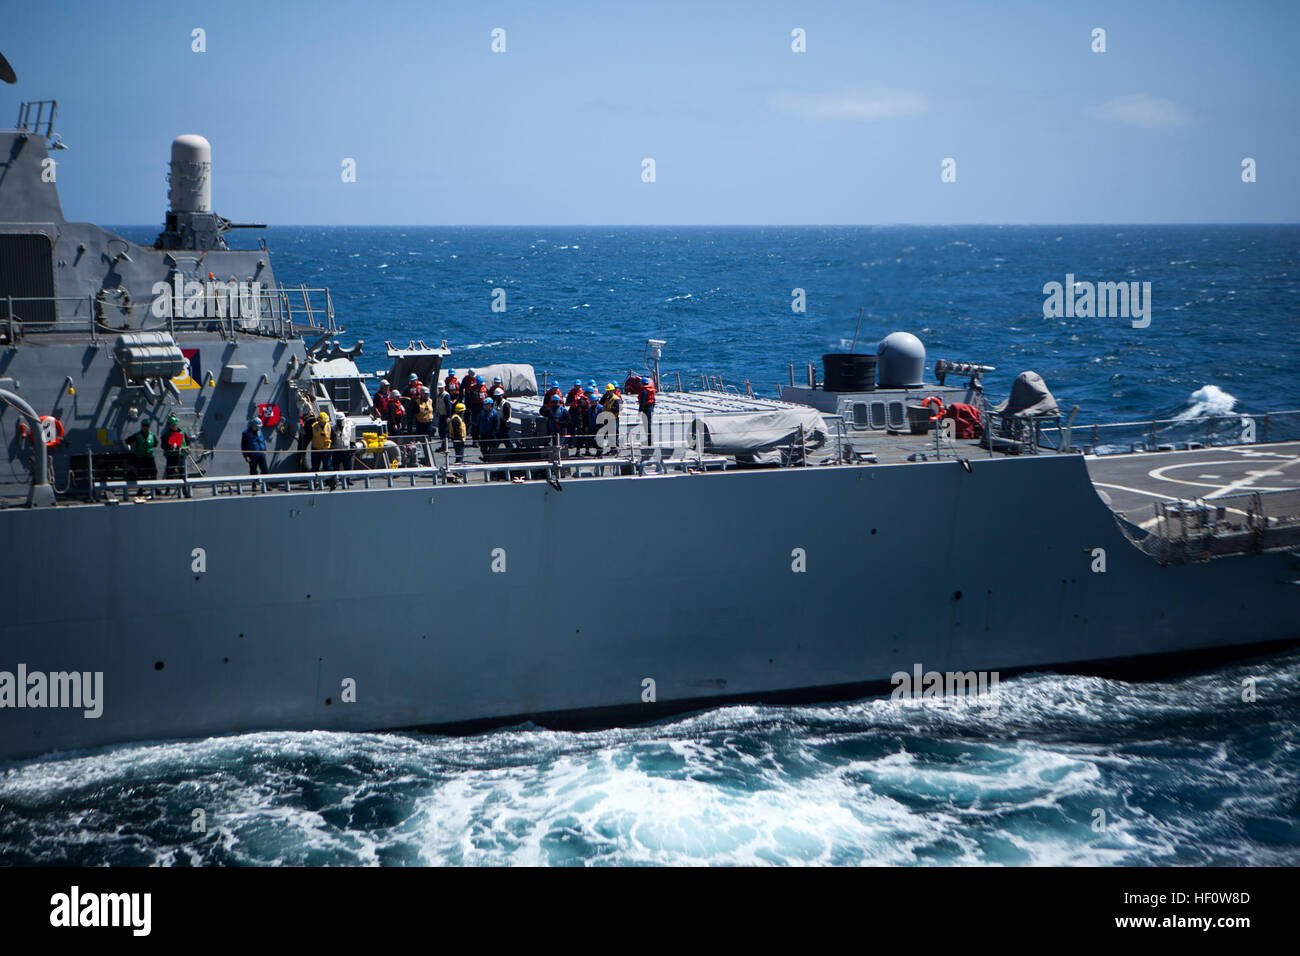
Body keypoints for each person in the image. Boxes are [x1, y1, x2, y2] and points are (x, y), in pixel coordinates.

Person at [160, 415, 188, 479]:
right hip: (171, 456)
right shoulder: (166, 435)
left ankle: (184, 488)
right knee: (170, 472)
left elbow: (187, 441)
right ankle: (168, 488)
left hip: (181, 455)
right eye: (172, 425)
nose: (174, 426)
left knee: (182, 472)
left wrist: (187, 447)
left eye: (175, 425)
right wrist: (170, 446)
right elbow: (163, 445)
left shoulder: (182, 432)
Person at [638, 375, 656, 449]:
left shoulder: (644, 391)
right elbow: (654, 401)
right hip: (650, 408)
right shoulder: (650, 391)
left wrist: (640, 410)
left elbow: (643, 401)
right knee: (648, 425)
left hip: (646, 409)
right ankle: (649, 440)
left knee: (647, 425)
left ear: (642, 383)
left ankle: (649, 441)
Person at [437, 383, 456, 452]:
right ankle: (443, 446)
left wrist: (448, 416)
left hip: (445, 415)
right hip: (441, 415)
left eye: (441, 388)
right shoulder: (439, 395)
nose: (440, 389)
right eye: (439, 388)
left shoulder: (446, 395)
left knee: (445, 431)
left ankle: (446, 447)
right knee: (441, 431)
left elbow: (449, 406)